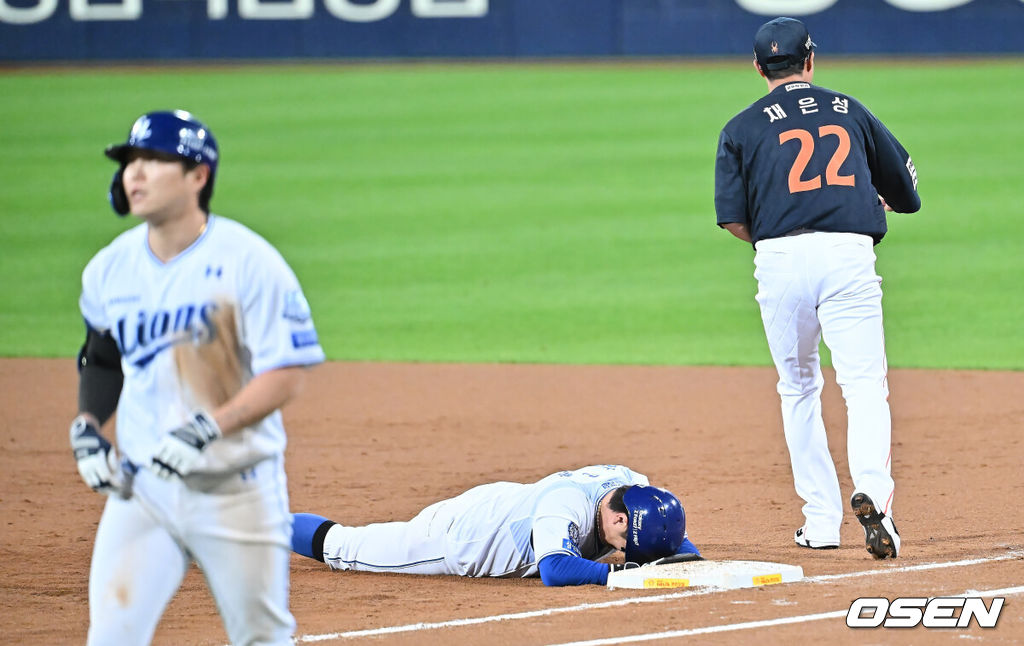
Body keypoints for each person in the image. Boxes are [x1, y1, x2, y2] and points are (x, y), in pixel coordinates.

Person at [69, 110, 325, 645]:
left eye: (154, 160)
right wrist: (90, 424)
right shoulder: (108, 270)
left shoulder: (249, 262)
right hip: (144, 491)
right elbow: (103, 357)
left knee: (261, 638)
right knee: (111, 636)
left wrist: (208, 427)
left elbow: (287, 373)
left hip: (237, 490)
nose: (134, 173)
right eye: (130, 161)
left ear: (198, 177)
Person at [714, 18, 920, 559]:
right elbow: (906, 188)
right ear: (811, 60)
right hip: (847, 256)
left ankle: (821, 521)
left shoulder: (739, 127)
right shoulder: (849, 109)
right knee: (863, 386)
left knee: (799, 387)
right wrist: (876, 204)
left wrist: (782, 237)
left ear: (758, 67)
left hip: (778, 260)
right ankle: (876, 501)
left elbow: (732, 217)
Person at [291, 464, 700, 586]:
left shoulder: (634, 489)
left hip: (506, 503)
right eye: (627, 541)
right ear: (617, 518)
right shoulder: (568, 506)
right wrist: (619, 573)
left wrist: (686, 555)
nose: (627, 551)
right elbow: (555, 570)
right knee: (343, 547)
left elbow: (661, 534)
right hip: (457, 537)